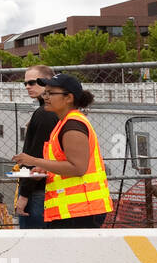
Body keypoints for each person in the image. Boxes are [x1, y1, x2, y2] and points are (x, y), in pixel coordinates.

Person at [14, 75, 113, 228]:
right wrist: (44, 168)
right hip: (73, 210)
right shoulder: (64, 123)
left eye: (51, 93)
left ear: (68, 98)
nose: (45, 97)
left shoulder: (72, 125)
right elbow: (65, 163)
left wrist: (34, 161)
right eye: (45, 92)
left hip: (80, 211)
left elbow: (78, 168)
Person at [14, 65, 57, 230]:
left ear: (47, 82)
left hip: (38, 191)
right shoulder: (52, 111)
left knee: (33, 244)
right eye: (25, 83)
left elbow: (38, 158)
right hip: (47, 188)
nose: (27, 87)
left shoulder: (45, 113)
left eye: (32, 82)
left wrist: (24, 195)